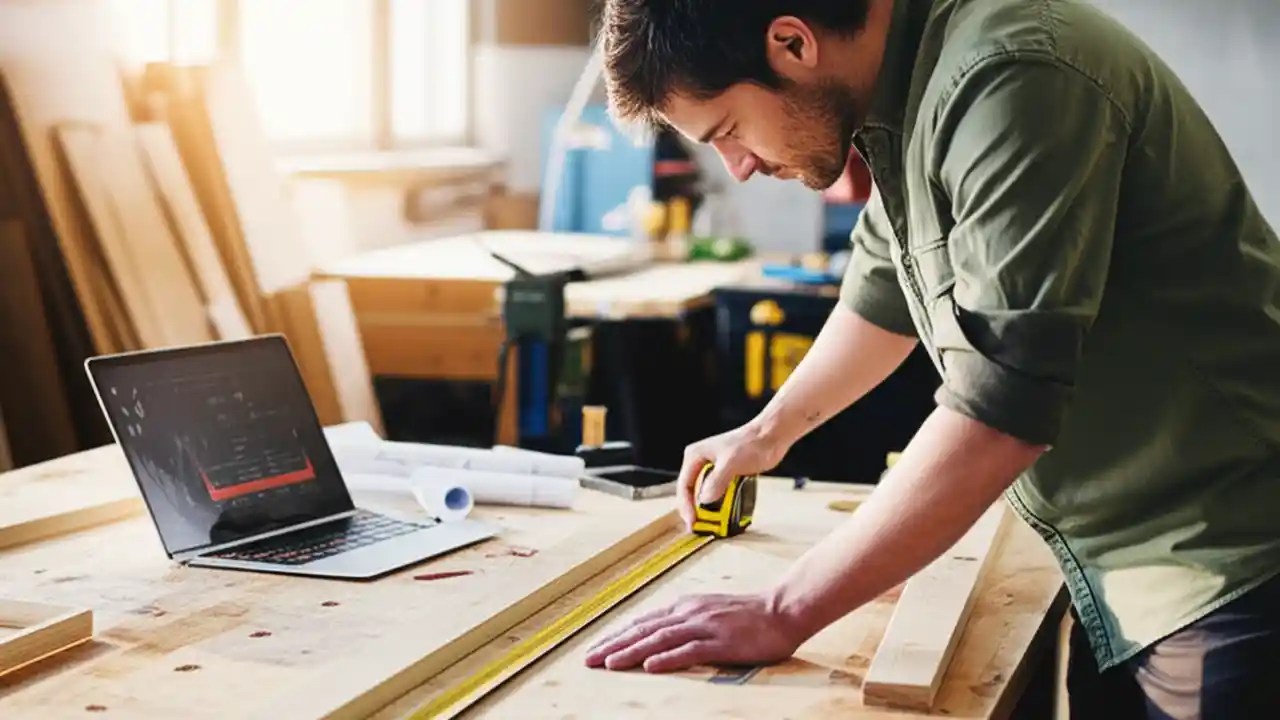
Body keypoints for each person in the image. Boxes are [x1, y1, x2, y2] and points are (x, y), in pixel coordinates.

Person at [582, 0, 1280, 717]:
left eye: (728, 130)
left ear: (792, 42)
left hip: (1228, 564)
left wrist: (784, 609)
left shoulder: (1009, 75)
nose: (740, 167)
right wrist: (768, 431)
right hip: (1121, 565)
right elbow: (885, 286)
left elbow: (1004, 404)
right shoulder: (906, 80)